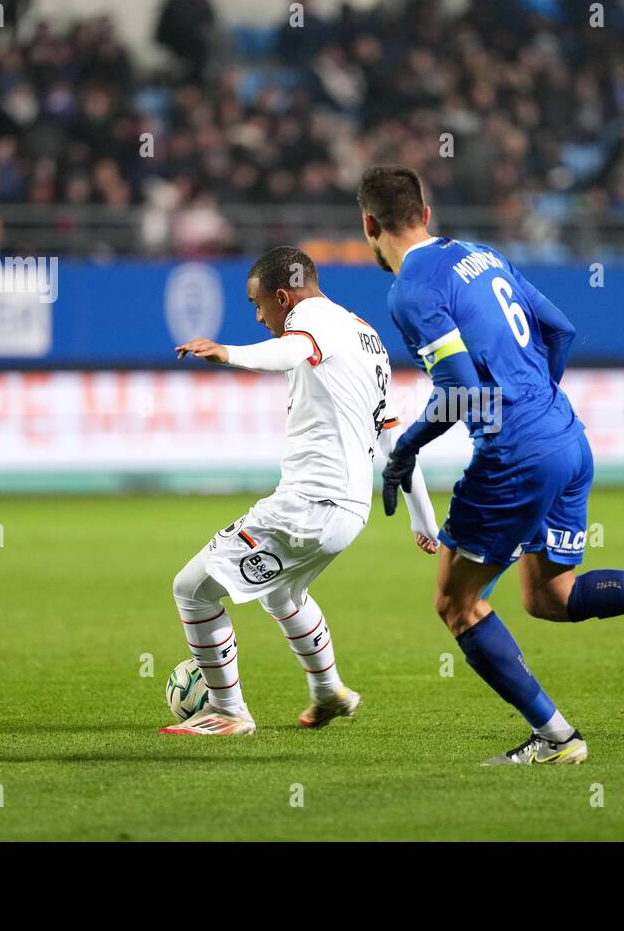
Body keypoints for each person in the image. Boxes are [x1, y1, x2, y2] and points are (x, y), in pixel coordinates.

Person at [358, 165, 624, 766]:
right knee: (549, 596)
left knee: (457, 604)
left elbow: (456, 383)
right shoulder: (481, 255)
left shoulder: (411, 290)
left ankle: (558, 739)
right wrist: (538, 401)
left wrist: (405, 451)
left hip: (517, 454)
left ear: (369, 223)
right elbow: (561, 329)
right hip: (567, 436)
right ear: (425, 214)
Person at [164, 246, 438, 735]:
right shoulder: (365, 336)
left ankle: (228, 711)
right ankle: (328, 690)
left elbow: (291, 350)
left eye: (258, 304)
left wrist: (229, 353)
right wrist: (424, 519)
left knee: (191, 590)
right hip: (349, 513)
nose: (258, 316)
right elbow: (395, 436)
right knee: (282, 592)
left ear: (283, 297)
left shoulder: (309, 326)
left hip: (309, 506)